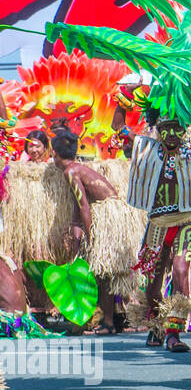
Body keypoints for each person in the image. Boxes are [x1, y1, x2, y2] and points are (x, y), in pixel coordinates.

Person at [113, 90, 191, 353]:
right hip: (157, 223)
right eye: (166, 129)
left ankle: (174, 332)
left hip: (184, 221)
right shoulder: (145, 148)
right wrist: (124, 96)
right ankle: (156, 323)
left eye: (177, 129)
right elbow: (118, 128)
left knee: (182, 272)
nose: (172, 135)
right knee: (153, 283)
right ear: (158, 128)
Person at [51, 129, 139, 334]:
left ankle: (109, 322)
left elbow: (84, 206)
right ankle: (112, 319)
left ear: (55, 153)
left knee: (103, 272)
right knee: (105, 274)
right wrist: (76, 227)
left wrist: (91, 237)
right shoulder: (75, 169)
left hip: (110, 217)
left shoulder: (70, 171)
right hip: (111, 214)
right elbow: (77, 203)